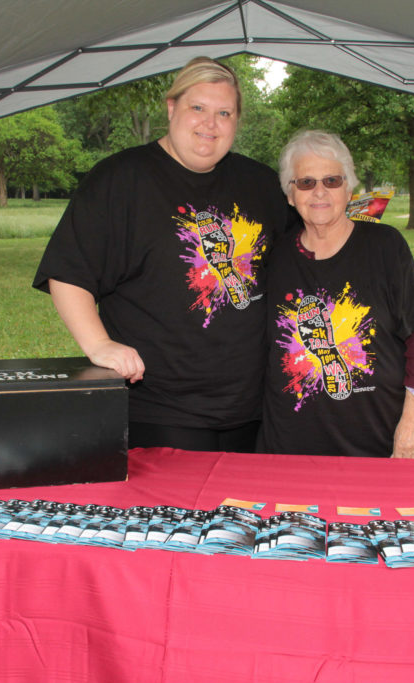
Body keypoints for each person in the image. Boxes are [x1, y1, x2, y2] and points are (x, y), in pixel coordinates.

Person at [33, 57, 291, 453]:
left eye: (224, 113)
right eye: (198, 108)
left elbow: (303, 257)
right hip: (158, 407)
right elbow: (68, 271)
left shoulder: (261, 184)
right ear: (172, 108)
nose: (210, 123)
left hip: (253, 406)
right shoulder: (121, 180)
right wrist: (98, 344)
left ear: (237, 121)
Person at [257, 130, 414, 459]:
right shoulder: (276, 255)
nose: (319, 192)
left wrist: (413, 418)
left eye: (332, 180)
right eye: (306, 182)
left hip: (379, 440)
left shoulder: (385, 246)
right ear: (290, 195)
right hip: (292, 442)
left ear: (349, 189)